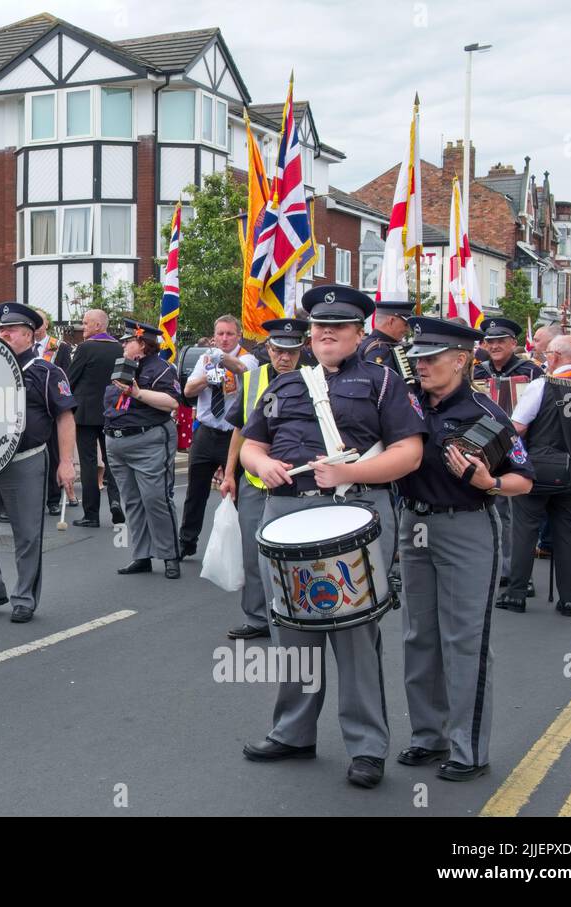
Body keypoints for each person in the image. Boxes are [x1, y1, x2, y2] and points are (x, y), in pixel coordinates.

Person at [239, 285, 425, 789]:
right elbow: (251, 445)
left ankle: (367, 748)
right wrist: (263, 465)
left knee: (355, 632)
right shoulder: (283, 385)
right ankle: (293, 733)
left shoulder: (384, 382)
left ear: (358, 331)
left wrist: (352, 471)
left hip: (353, 510)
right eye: (319, 327)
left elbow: (409, 452)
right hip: (285, 512)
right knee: (293, 631)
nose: (325, 334)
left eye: (337, 327)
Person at [394, 317, 534, 782]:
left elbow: (523, 479)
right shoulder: (408, 403)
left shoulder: (484, 413)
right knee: (419, 637)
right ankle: (427, 737)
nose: (422, 366)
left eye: (431, 358)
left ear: (460, 359)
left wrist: (489, 482)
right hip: (415, 524)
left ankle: (467, 749)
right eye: (417, 359)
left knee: (464, 641)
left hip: (466, 526)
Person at [0, 302, 77, 623]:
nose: (3, 333)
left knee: (27, 533)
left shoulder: (46, 371)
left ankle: (24, 597)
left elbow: (65, 417)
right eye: (1, 329)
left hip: (26, 460)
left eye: (11, 330)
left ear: (28, 335)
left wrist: (67, 463)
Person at [498, 334, 571, 616]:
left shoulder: (541, 385)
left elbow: (517, 427)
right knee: (568, 533)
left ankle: (516, 595)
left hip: (537, 466)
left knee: (525, 529)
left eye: (547, 354)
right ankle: (569, 600)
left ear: (556, 356)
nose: (546, 358)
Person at [218, 317, 307, 639]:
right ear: (268, 348)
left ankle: (292, 614)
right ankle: (257, 618)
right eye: (279, 350)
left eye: (292, 352)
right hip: (255, 483)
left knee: (293, 553)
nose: (284, 358)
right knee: (254, 553)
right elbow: (239, 430)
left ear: (301, 351)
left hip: (297, 484)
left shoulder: (313, 379)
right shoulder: (254, 379)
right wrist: (229, 474)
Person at [104, 321, 181, 579]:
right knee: (133, 501)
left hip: (148, 440)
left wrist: (138, 393)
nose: (123, 344)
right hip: (117, 441)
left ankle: (170, 555)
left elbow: (171, 402)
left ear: (143, 343)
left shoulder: (161, 369)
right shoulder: (121, 367)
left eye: (128, 340)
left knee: (155, 498)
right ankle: (142, 555)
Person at [472, 317, 543, 585]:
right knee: (495, 511)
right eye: (490, 341)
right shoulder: (478, 372)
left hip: (521, 450)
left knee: (520, 515)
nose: (495, 345)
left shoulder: (532, 371)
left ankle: (520, 573)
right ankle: (500, 567)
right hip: (487, 451)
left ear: (513, 343)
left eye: (501, 341)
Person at [180, 315, 257, 556]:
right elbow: (188, 389)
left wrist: (222, 358)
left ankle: (235, 547)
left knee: (236, 493)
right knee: (195, 491)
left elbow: (243, 370)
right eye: (220, 334)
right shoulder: (205, 358)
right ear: (214, 336)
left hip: (232, 435)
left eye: (229, 334)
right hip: (205, 432)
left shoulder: (247, 356)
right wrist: (207, 377)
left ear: (238, 335)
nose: (224, 338)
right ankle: (186, 541)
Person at [66, 309, 124, 528]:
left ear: (99, 325)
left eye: (86, 323)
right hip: (112, 412)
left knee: (89, 464)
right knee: (112, 461)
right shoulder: (119, 347)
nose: (83, 327)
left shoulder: (85, 348)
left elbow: (71, 378)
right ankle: (116, 501)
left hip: (86, 414)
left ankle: (91, 514)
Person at [32, 308, 75, 516]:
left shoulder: (59, 347)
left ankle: (53, 499)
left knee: (54, 455)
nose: (36, 327)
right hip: (31, 409)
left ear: (47, 324)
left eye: (39, 323)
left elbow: (67, 376)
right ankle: (32, 498)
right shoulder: (24, 348)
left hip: (52, 406)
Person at [357, 299, 413, 372]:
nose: (408, 329)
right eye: (405, 324)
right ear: (391, 321)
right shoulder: (379, 349)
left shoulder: (369, 343)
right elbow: (381, 382)